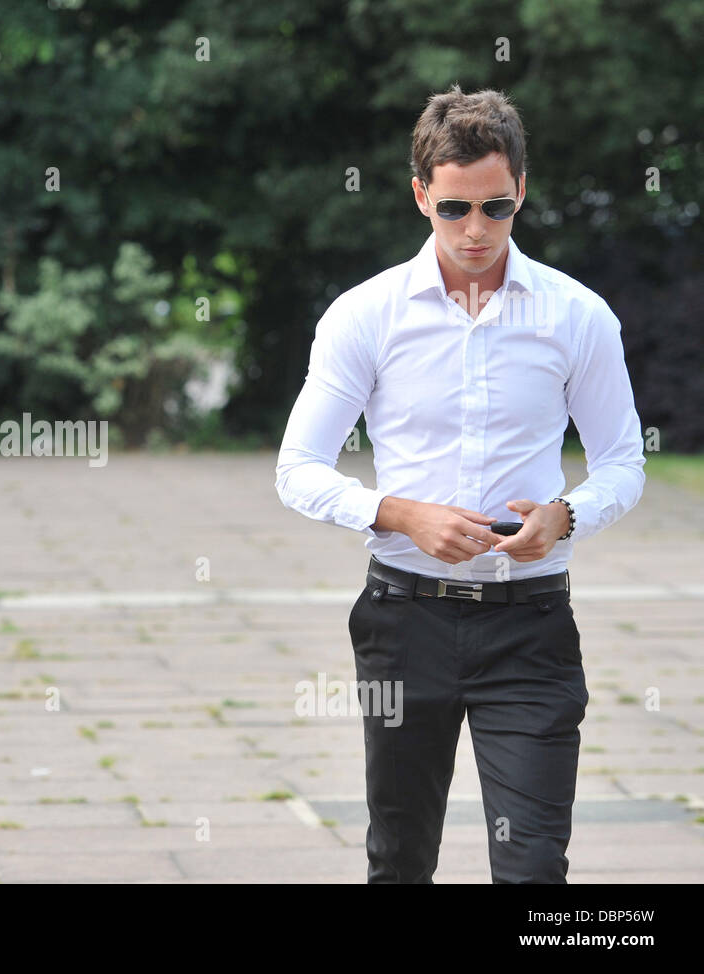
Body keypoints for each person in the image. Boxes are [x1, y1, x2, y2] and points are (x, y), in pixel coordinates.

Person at [275, 84, 645, 883]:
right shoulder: (364, 316)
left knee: (535, 870)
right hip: (404, 621)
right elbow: (297, 469)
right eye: (453, 209)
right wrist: (399, 513)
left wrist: (567, 515)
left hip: (532, 624)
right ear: (420, 195)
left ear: (522, 192)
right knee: (400, 859)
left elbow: (623, 461)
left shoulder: (577, 316)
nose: (476, 231)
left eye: (497, 207)